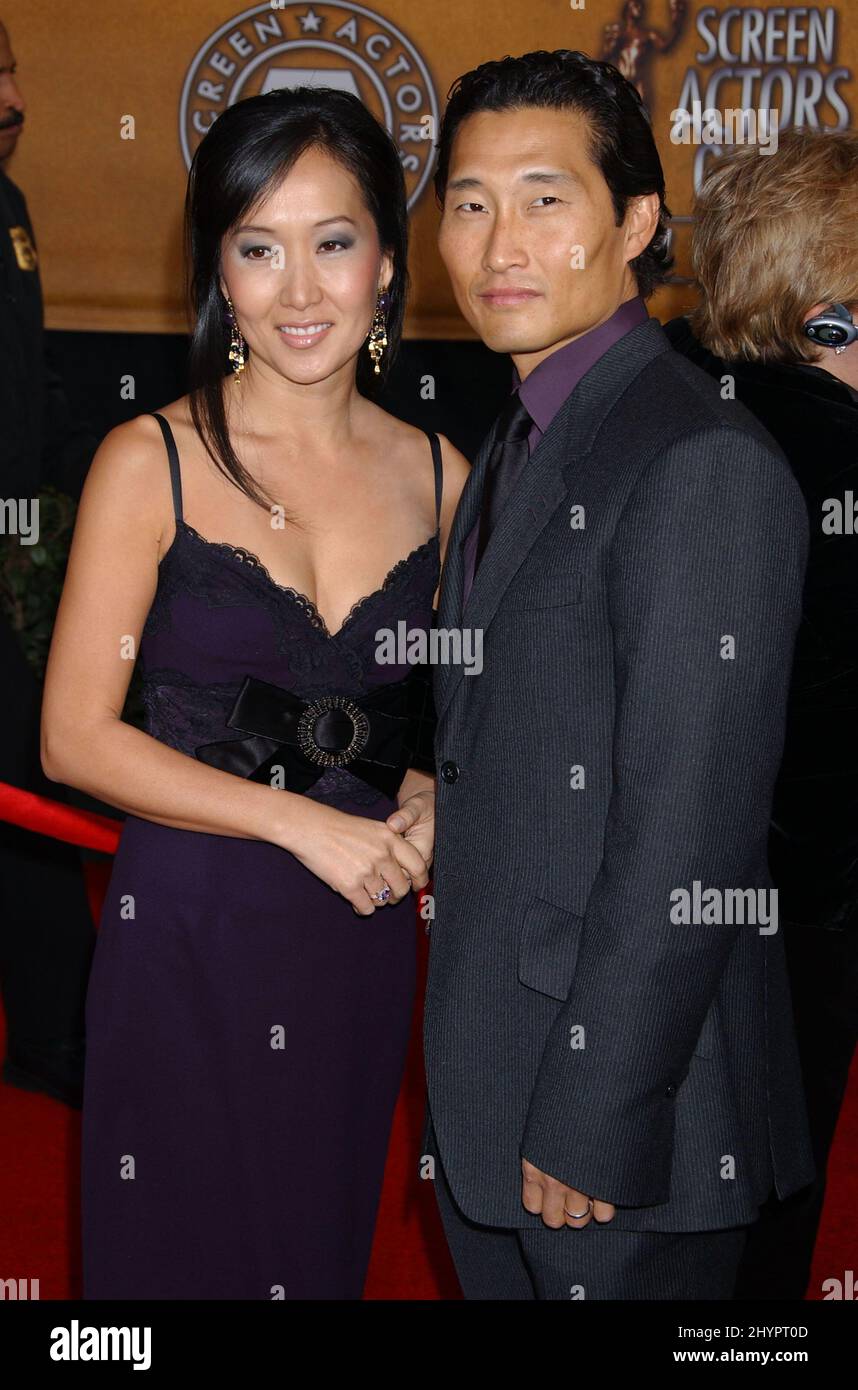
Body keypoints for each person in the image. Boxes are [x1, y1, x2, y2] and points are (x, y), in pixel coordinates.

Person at [40, 87, 469, 1300]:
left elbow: (457, 720)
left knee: (312, 1250)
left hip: (356, 941)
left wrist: (434, 799)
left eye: (333, 243)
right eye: (258, 247)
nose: (298, 291)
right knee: (167, 1268)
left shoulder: (444, 475)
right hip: (185, 921)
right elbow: (73, 738)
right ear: (218, 271)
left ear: (386, 260)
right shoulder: (151, 459)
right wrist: (303, 822)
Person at [408, 48, 815, 1301]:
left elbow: (694, 829)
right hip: (500, 1067)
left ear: (636, 222)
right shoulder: (525, 427)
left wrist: (599, 1104)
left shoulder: (699, 459)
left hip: (626, 1126)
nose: (498, 244)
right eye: (468, 204)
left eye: (545, 198)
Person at [664, 127, 858, 1300]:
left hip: (642, 908)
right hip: (794, 909)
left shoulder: (665, 400)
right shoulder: (832, 452)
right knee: (765, 1215)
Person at [0, 16, 99, 1109]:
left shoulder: (9, 207)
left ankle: (53, 1034)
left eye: (16, 69)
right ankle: (57, 1036)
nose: (16, 96)